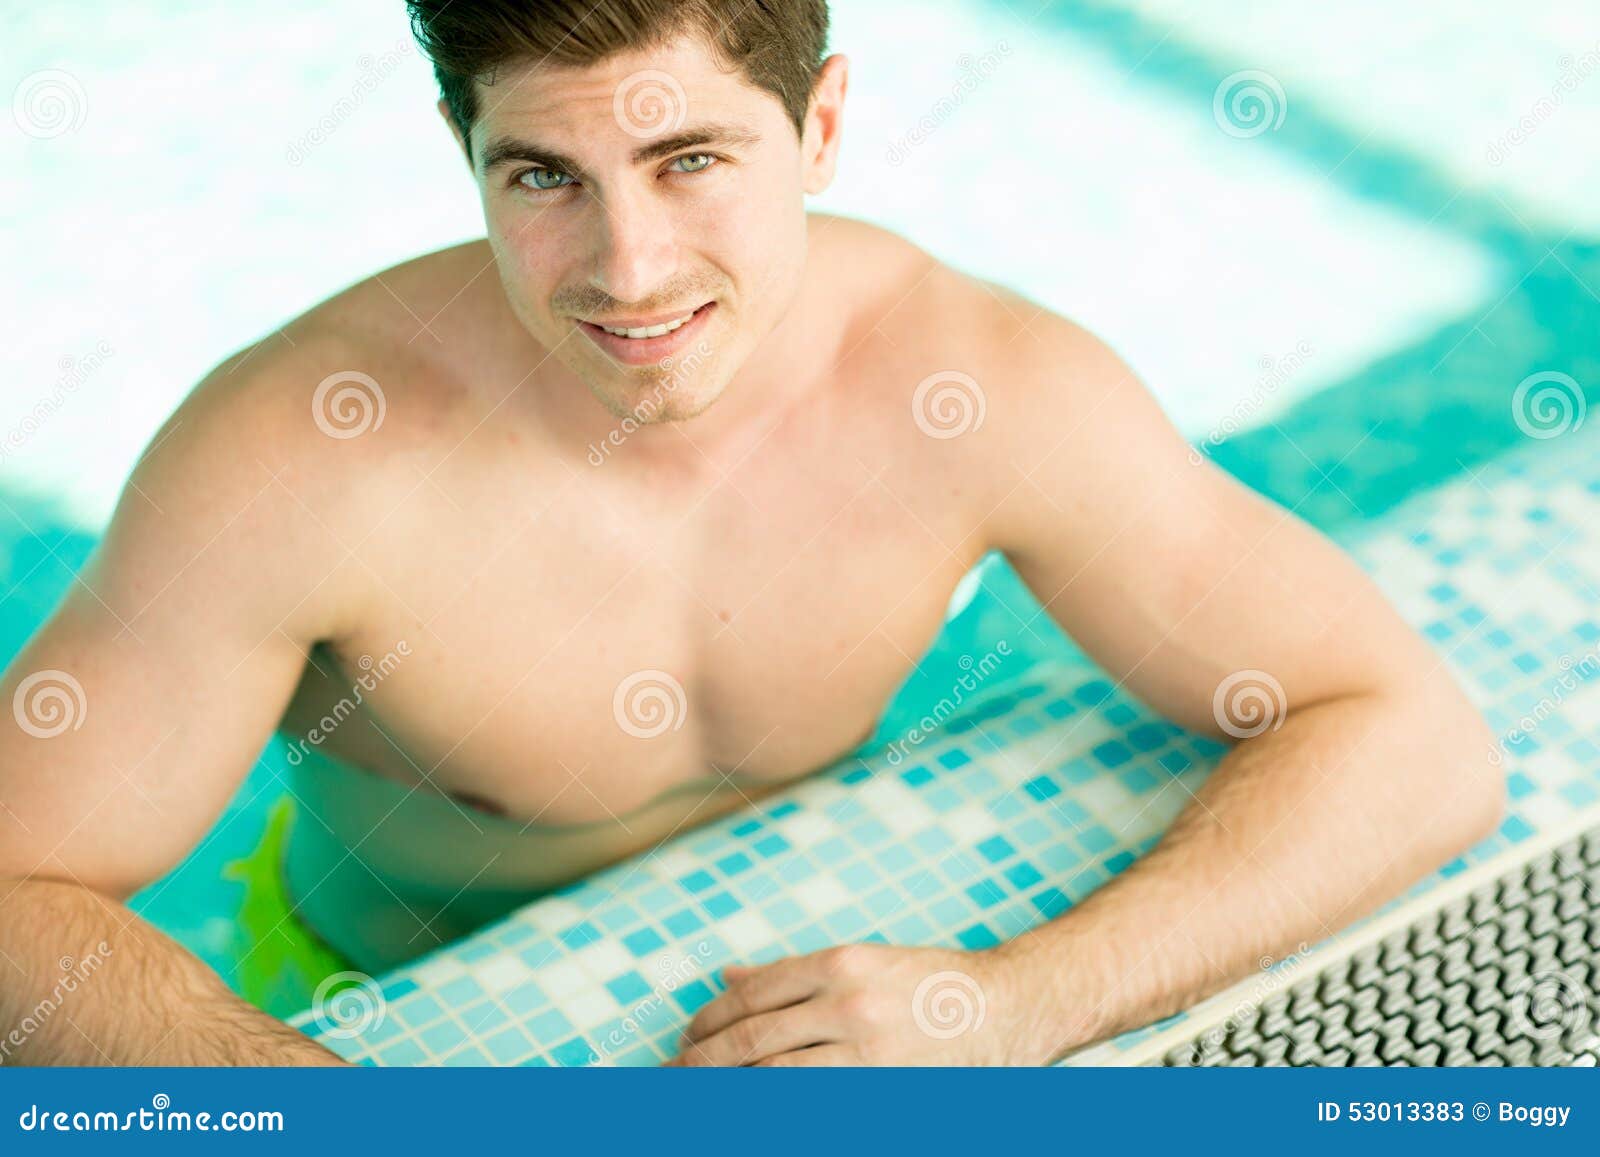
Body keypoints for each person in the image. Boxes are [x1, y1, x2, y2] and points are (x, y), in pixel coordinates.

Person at [0, 0, 1501, 1066]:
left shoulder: (964, 385)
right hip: (361, 998)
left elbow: (1416, 739)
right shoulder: (299, 455)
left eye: (691, 159)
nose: (629, 271)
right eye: (544, 177)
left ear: (823, 124)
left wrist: (1015, 1003)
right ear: (465, 149)